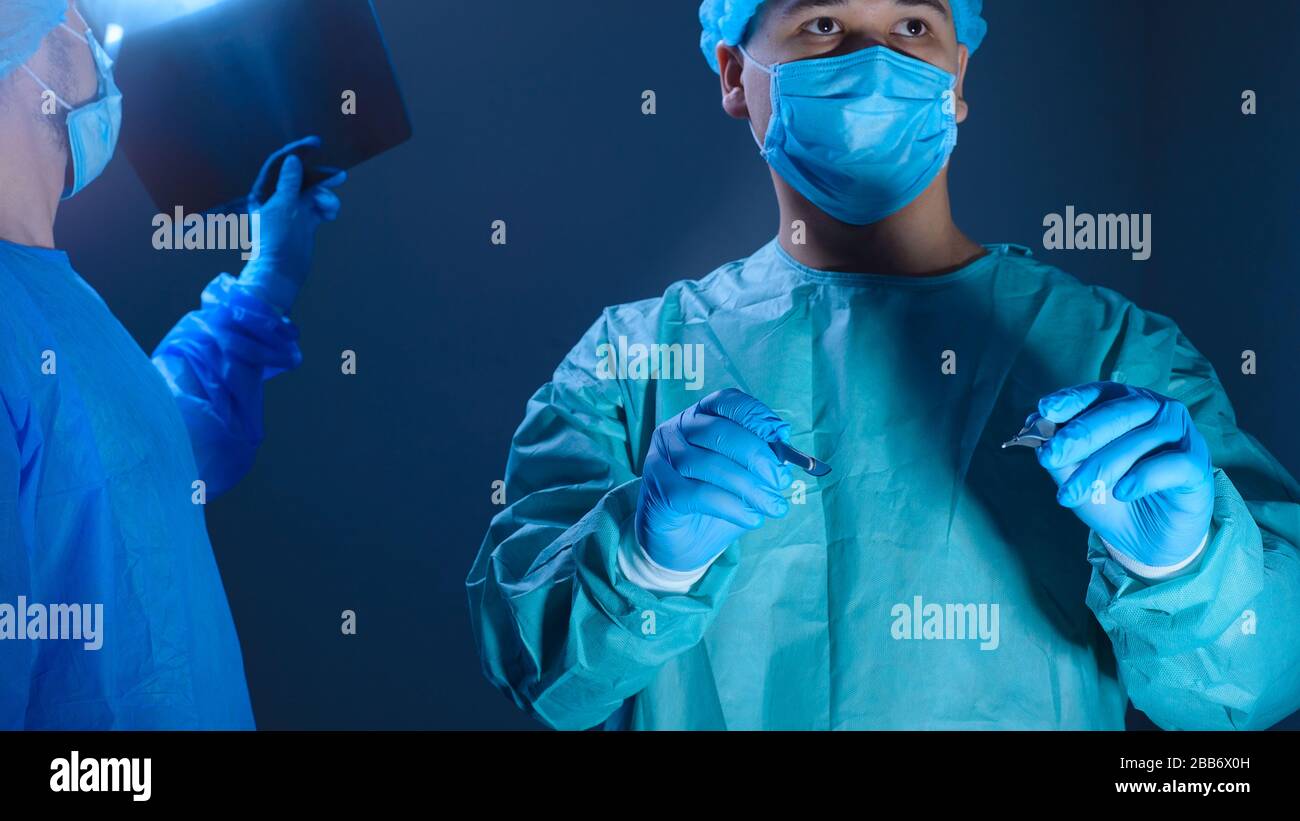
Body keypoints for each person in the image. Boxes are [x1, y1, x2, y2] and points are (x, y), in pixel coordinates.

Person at [467, 0, 1300, 730]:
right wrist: (645, 561)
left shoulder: (1116, 353)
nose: (875, 65)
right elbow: (538, 673)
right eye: (823, 25)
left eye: (912, 26)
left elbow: (1250, 694)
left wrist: (1187, 566)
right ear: (733, 73)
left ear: (957, 74)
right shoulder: (633, 364)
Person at [0, 0, 344, 728]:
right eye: (82, 16)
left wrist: (265, 277)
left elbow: (150, 457)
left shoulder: (51, 300)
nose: (101, 43)